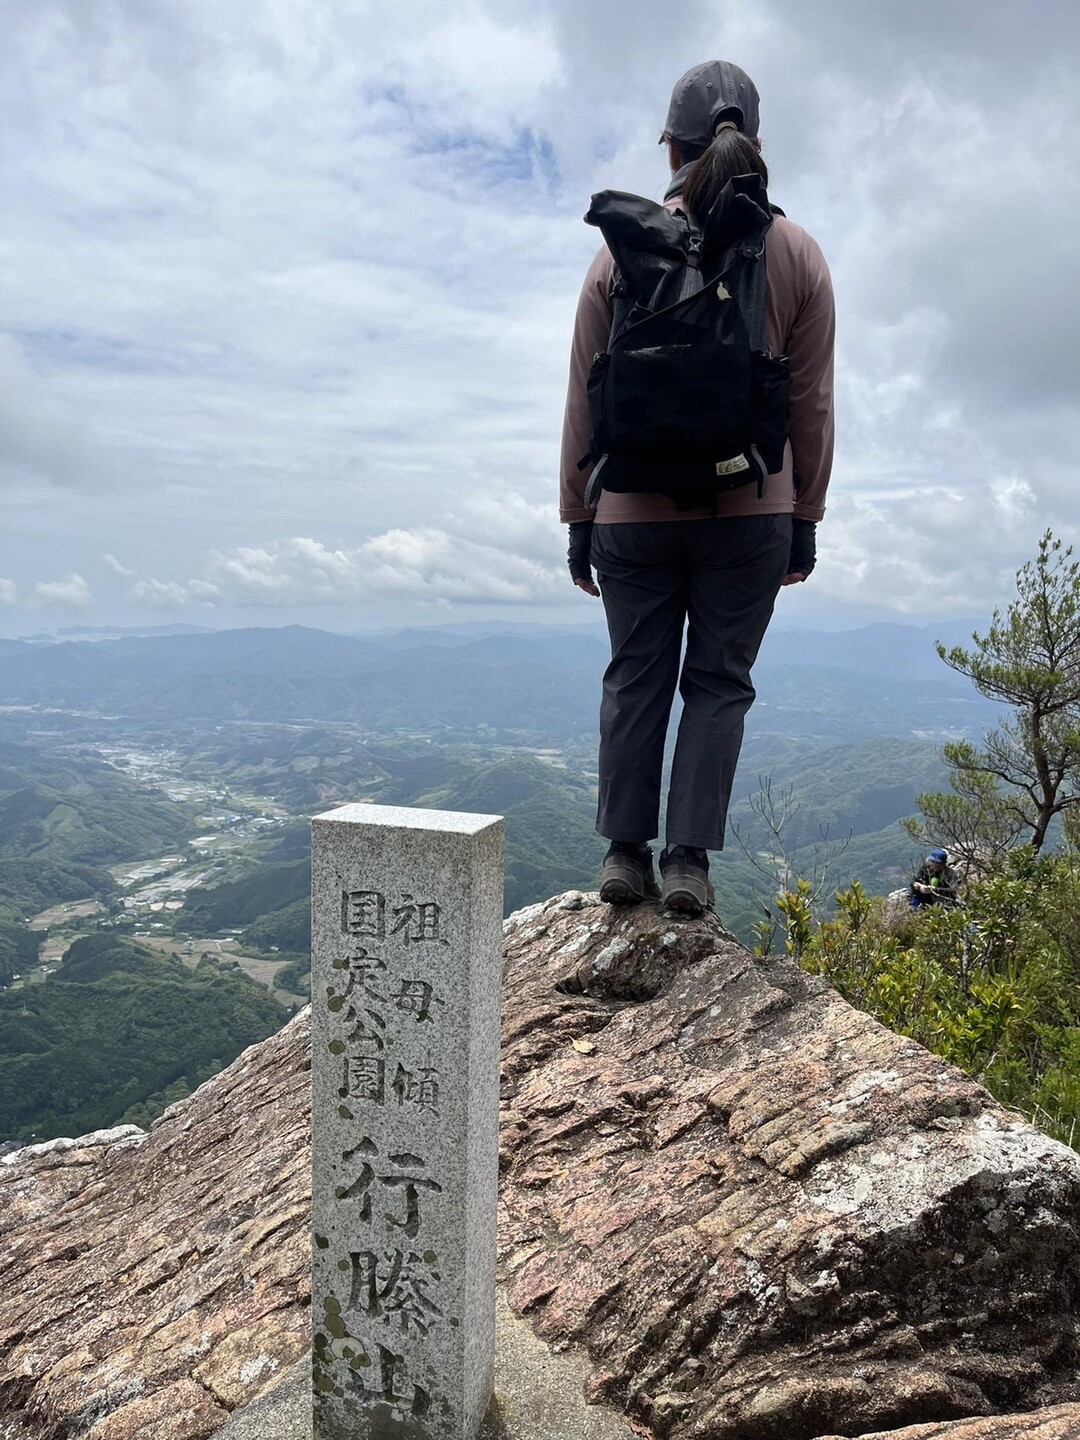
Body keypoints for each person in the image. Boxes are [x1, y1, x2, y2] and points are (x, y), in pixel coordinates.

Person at [560, 60, 835, 916]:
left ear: (669, 146)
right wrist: (805, 515)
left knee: (634, 672)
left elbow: (584, 391)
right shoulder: (796, 254)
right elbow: (809, 403)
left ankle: (622, 852)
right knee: (717, 681)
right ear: (753, 138)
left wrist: (578, 516)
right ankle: (686, 864)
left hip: (630, 511)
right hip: (752, 506)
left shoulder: (621, 250)